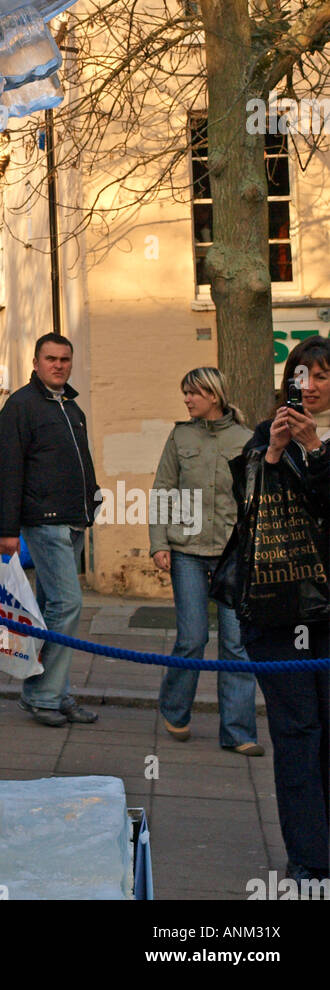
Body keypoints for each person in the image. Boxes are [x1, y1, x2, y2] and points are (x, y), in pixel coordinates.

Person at [234, 337, 330, 885]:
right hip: (279, 608)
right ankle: (310, 857)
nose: (310, 386)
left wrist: (316, 449)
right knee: (298, 731)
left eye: (320, 376)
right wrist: (271, 454)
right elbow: (247, 514)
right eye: (301, 375)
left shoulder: (318, 439)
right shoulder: (265, 436)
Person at [149, 367, 262, 754]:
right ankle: (176, 710)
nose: (187, 399)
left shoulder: (247, 440)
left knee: (236, 644)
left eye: (192, 393)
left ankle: (239, 732)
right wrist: (158, 542)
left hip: (233, 557)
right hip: (188, 554)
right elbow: (162, 489)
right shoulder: (180, 436)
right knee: (193, 639)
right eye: (185, 393)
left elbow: (255, 501)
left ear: (213, 395)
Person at [0, 332, 101, 726]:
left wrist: (91, 502)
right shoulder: (20, 406)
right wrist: (8, 531)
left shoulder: (71, 407)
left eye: (65, 359)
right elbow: (9, 471)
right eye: (51, 359)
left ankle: (53, 692)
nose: (59, 365)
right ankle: (43, 695)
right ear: (36, 362)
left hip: (74, 522)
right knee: (68, 605)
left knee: (51, 612)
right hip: (44, 522)